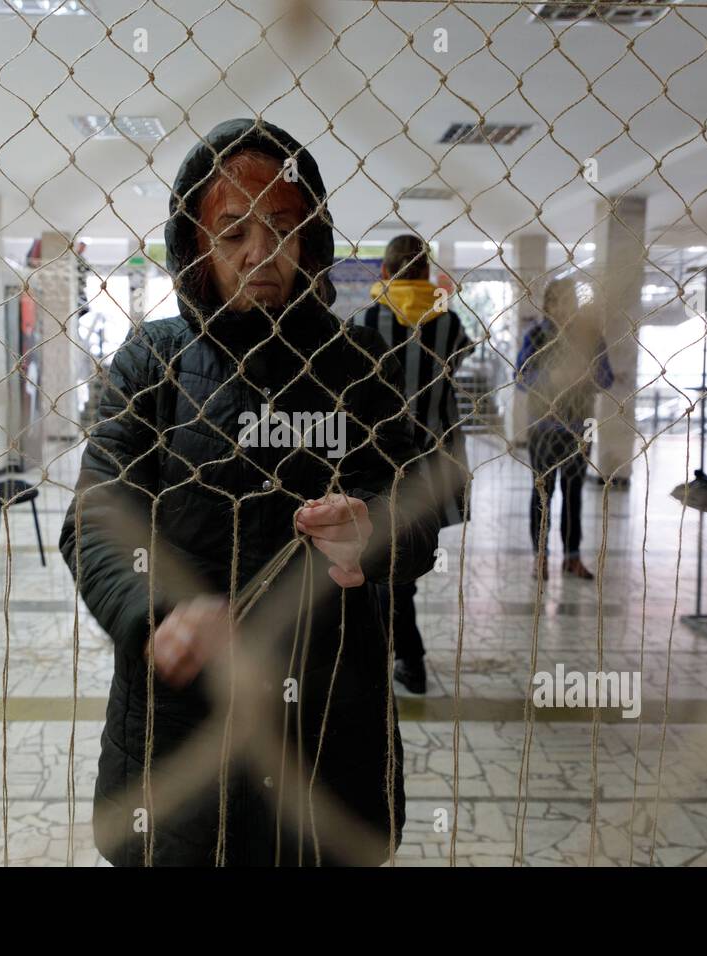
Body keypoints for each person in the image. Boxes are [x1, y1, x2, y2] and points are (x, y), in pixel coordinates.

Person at [59, 118, 441, 866]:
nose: (258, 253)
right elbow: (96, 519)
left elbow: (415, 513)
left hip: (330, 716)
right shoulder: (152, 362)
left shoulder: (356, 365)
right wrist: (155, 614)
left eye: (280, 226)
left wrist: (372, 530)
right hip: (179, 724)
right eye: (231, 229)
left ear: (312, 237)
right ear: (195, 241)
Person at [353, 234, 473, 695]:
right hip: (436, 463)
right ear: (426, 274)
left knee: (385, 561)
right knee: (408, 559)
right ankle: (405, 656)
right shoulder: (451, 325)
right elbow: (455, 365)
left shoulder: (368, 322)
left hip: (381, 460)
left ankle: (404, 657)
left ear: (384, 273)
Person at [515, 277, 613, 580]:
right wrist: (551, 378)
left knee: (573, 493)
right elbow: (520, 376)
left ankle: (572, 557)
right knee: (542, 492)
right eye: (558, 302)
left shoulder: (591, 338)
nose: (564, 308)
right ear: (547, 305)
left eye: (570, 301)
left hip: (578, 426)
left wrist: (586, 375)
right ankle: (539, 557)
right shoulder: (536, 336)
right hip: (543, 427)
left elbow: (606, 378)